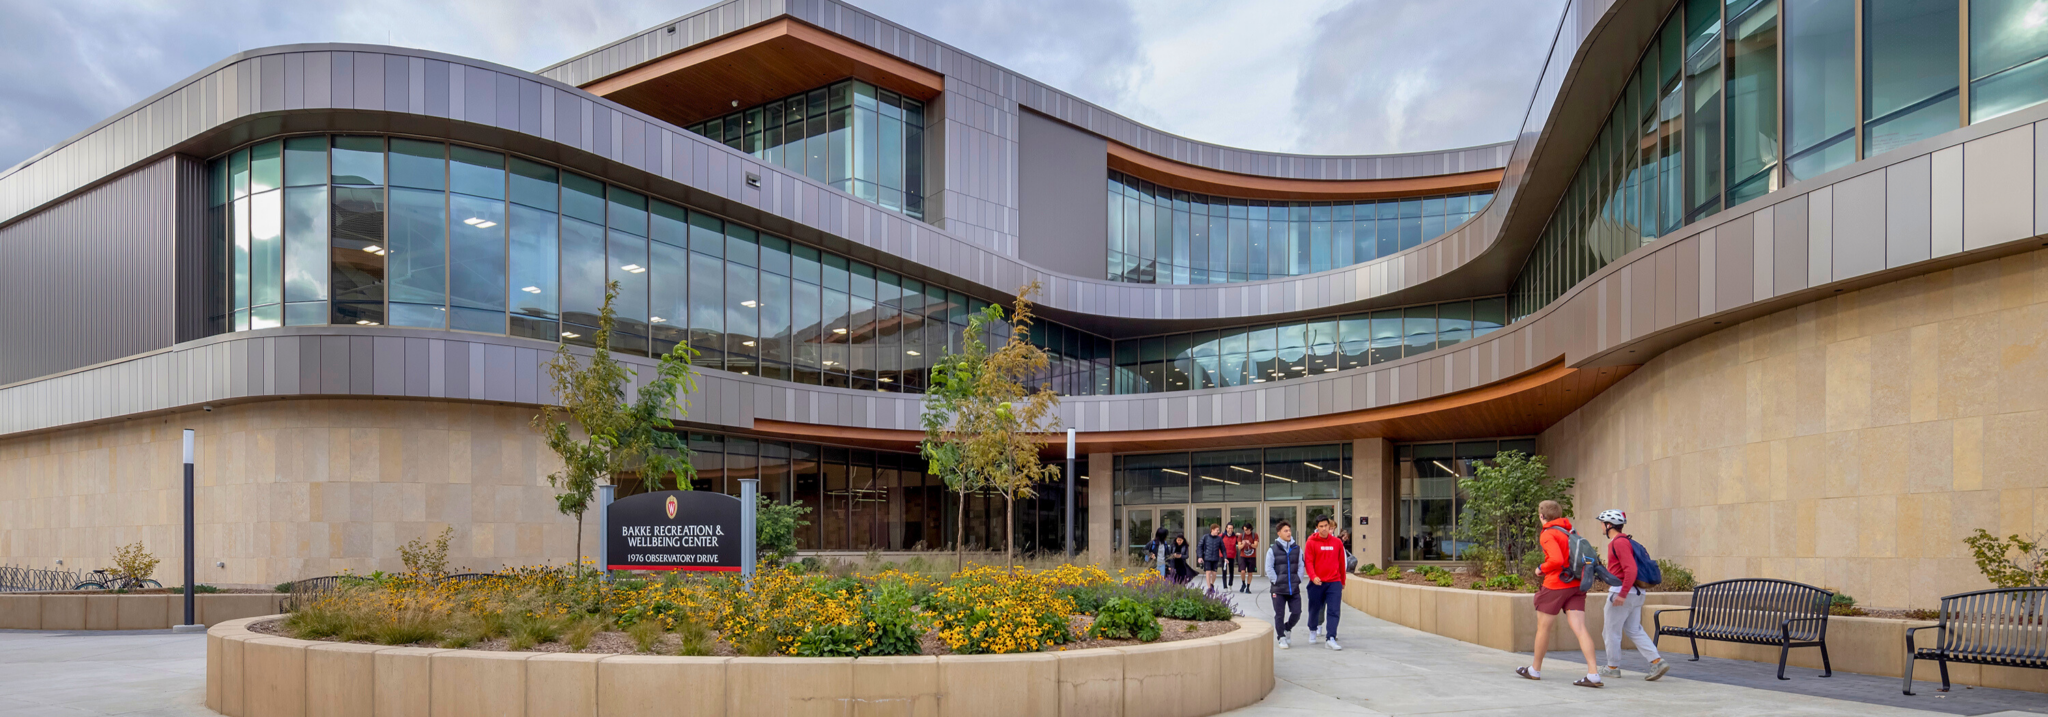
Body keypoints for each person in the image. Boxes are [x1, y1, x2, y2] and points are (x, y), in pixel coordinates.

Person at [1517, 500, 1603, 687]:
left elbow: (1555, 560)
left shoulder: (1548, 533)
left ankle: (1535, 670)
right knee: (1580, 629)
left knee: (1543, 628)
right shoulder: (1571, 531)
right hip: (1576, 586)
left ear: (1541, 516)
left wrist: (1541, 568)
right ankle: (1593, 674)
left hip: (1556, 585)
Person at [1596, 509, 1669, 681]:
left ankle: (1612, 667)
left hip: (1623, 593)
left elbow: (1630, 569)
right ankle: (1657, 661)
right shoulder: (1626, 541)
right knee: (1634, 629)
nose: (1600, 526)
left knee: (1610, 631)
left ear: (1609, 525)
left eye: (1601, 523)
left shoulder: (1618, 543)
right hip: (1636, 593)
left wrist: (1621, 593)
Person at [1303, 514, 1347, 651]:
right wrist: (1313, 576)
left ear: (1330, 527)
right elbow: (1308, 562)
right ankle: (1312, 629)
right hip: (1317, 582)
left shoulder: (1337, 543)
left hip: (1334, 582)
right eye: (1321, 526)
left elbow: (1341, 563)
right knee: (1315, 608)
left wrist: (1342, 581)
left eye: (1326, 526)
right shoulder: (1311, 542)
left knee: (1334, 610)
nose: (1324, 529)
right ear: (1317, 527)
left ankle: (1331, 638)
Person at [1263, 520, 1305, 648]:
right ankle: (1281, 637)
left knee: (1297, 612)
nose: (1288, 533)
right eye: (1285, 531)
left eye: (1289, 530)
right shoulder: (1273, 549)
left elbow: (1301, 565)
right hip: (1278, 589)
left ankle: (1287, 628)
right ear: (1279, 533)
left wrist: (1298, 579)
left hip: (1293, 587)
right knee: (1279, 614)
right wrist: (1276, 580)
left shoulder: (1297, 549)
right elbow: (1268, 568)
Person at [1198, 524, 1226, 591]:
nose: (1218, 531)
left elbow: (1223, 549)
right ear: (1212, 530)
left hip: (1215, 558)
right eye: (1217, 530)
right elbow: (1199, 547)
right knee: (1208, 572)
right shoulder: (1205, 537)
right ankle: (1209, 587)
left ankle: (1211, 583)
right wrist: (1200, 556)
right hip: (1207, 558)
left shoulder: (1219, 539)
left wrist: (1225, 557)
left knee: (1214, 573)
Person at [1236, 526, 1259, 594]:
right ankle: (1243, 583)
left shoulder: (1254, 535)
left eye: (1247, 530)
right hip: (1243, 556)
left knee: (1250, 572)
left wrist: (1250, 543)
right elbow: (1239, 547)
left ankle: (1248, 587)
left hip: (1252, 556)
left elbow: (1256, 545)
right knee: (1242, 571)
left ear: (1250, 529)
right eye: (1245, 530)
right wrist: (1243, 544)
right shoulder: (1241, 536)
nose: (1246, 531)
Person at [1221, 523, 1240, 589]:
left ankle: (1230, 585)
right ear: (1226, 528)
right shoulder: (1222, 536)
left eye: (1231, 528)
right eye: (1229, 528)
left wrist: (1240, 535)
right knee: (1224, 571)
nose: (1230, 530)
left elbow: (1240, 543)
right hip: (1223, 556)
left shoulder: (1235, 536)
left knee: (1231, 571)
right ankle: (1225, 586)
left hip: (1232, 556)